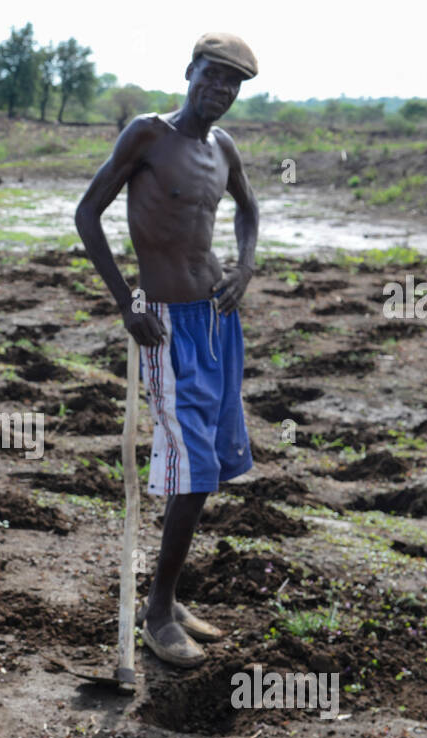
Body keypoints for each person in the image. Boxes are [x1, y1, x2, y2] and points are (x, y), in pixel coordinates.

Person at [75, 32, 260, 668]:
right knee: (195, 470)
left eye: (233, 84)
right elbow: (87, 214)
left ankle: (169, 596)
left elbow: (250, 212)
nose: (221, 91)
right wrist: (127, 301)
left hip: (216, 320)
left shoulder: (223, 148)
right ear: (190, 72)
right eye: (212, 77)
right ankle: (156, 615)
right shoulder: (148, 136)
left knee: (211, 467)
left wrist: (244, 269)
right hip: (166, 324)